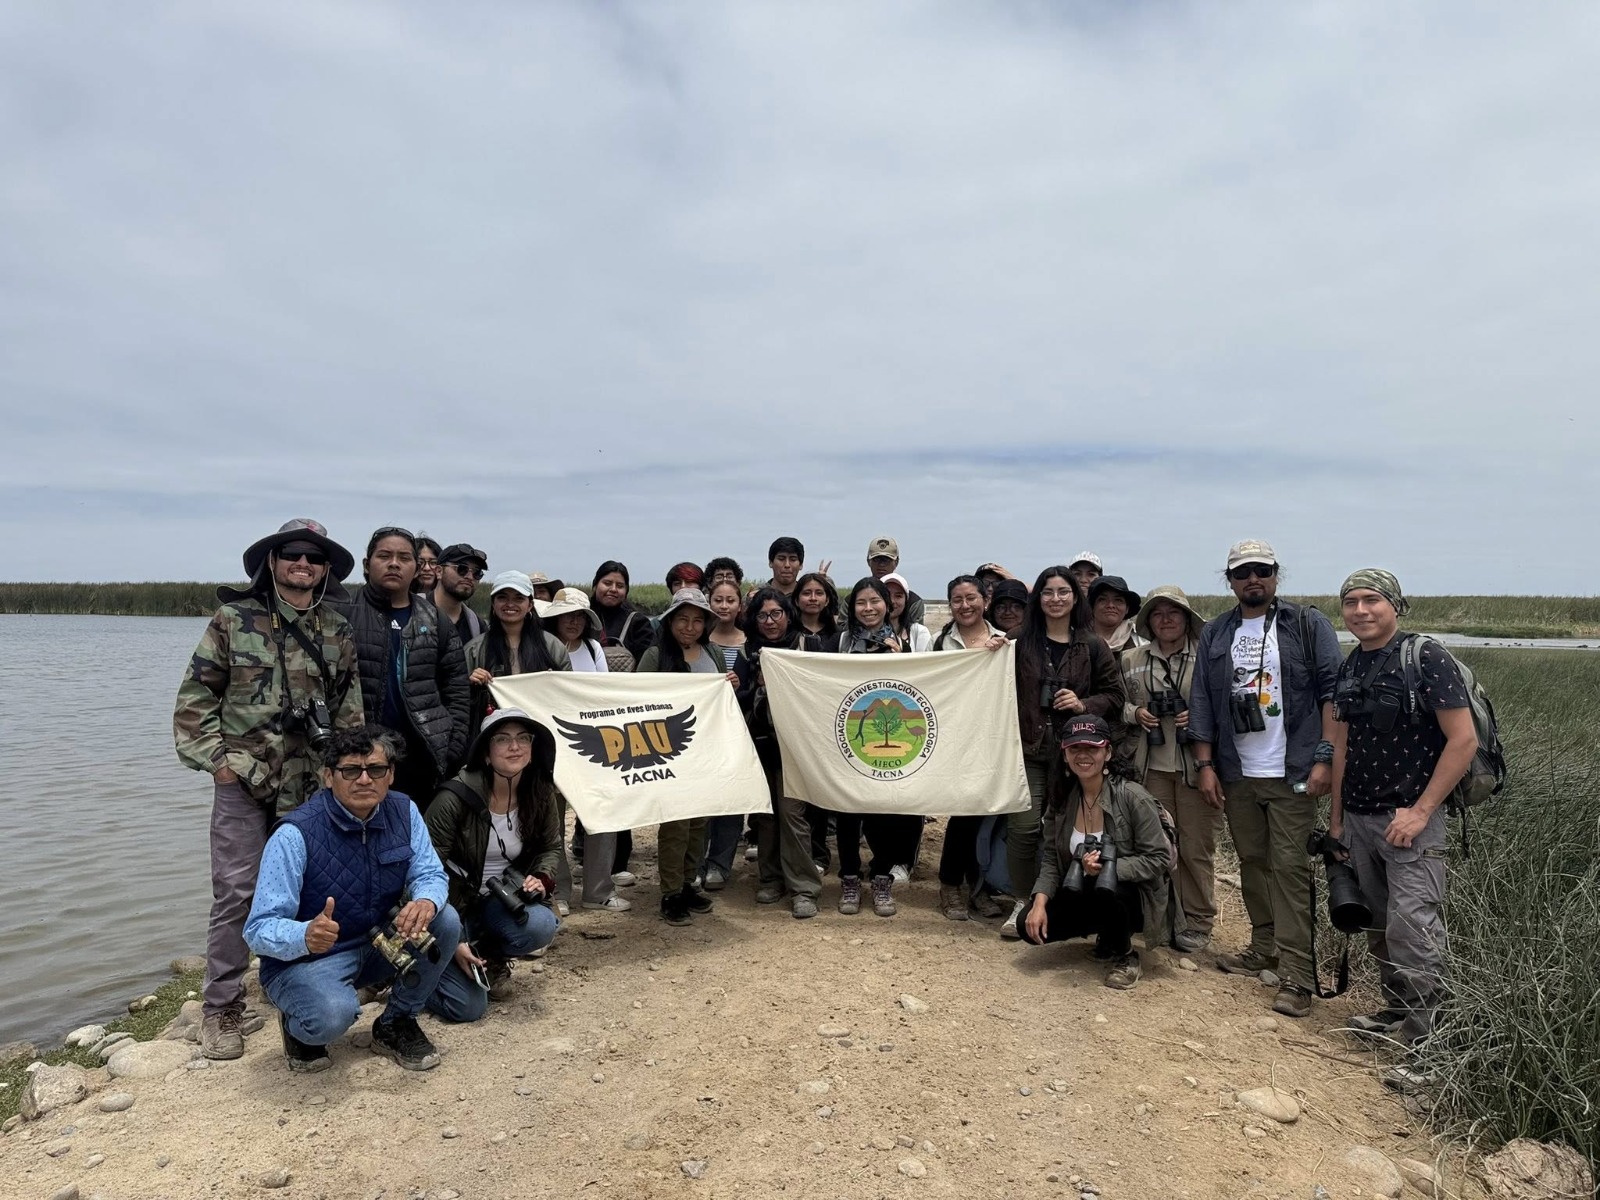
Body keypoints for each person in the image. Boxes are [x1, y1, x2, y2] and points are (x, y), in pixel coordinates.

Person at [174, 518, 365, 1060]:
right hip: (245, 781)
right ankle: (222, 1008)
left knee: (307, 891)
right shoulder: (233, 619)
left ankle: (299, 992)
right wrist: (219, 764)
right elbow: (194, 701)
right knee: (236, 892)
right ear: (273, 562)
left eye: (313, 556)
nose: (302, 564)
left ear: (326, 568)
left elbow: (351, 710)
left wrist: (347, 772)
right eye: (291, 554)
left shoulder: (336, 627)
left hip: (310, 785)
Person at [245, 725, 461, 1073]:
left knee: (445, 919)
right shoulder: (293, 835)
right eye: (350, 770)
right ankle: (297, 1025)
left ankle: (396, 1022)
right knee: (331, 1016)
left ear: (390, 775)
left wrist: (425, 901)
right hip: (310, 958)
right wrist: (304, 935)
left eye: (375, 770)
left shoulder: (404, 812)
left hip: (376, 942)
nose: (364, 780)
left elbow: (431, 874)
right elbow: (257, 929)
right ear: (328, 776)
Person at [1187, 539, 1342, 1019]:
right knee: (1254, 860)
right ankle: (1263, 947)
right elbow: (1204, 703)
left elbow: (1333, 694)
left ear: (1276, 575)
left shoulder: (1306, 624)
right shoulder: (1216, 632)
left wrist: (1324, 758)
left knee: (1291, 868)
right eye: (1242, 572)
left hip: (1291, 769)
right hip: (1237, 771)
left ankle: (1298, 975)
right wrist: (1207, 765)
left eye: (1262, 570)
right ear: (1229, 580)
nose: (1252, 578)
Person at [1329, 569, 1476, 1065]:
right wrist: (1337, 820)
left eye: (1372, 600)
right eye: (1351, 602)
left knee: (1413, 927)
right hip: (1361, 817)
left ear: (1395, 605)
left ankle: (1431, 1041)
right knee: (1378, 924)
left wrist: (1420, 811)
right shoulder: (1352, 664)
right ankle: (1398, 1013)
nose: (1360, 611)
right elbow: (1343, 746)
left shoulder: (1426, 657)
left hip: (1411, 819)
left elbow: (1464, 740)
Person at [1004, 566, 1126, 940]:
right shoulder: (1017, 641)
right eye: (1047, 592)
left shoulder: (1092, 645)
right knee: (1023, 829)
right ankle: (1021, 902)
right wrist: (992, 649)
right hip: (1027, 748)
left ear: (1075, 597)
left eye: (1063, 592)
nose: (1055, 599)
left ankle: (1065, 903)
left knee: (1063, 832)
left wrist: (1082, 703)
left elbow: (1116, 697)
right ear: (1036, 598)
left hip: (1076, 754)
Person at [425, 709, 563, 1014]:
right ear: (486, 754)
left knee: (542, 925)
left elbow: (550, 847)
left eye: (523, 738)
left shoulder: (539, 792)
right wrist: (454, 937)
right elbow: (426, 870)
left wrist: (542, 876)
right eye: (502, 739)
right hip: (450, 908)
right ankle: (422, 966)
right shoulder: (454, 798)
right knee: (470, 1008)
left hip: (497, 900)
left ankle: (487, 954)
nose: (515, 746)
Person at [1020, 715, 1171, 990]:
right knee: (1025, 925)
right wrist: (1039, 903)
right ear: (1065, 754)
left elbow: (1159, 859)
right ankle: (1105, 933)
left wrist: (1110, 868)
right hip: (1084, 890)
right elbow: (1052, 858)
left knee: (1109, 885)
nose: (1083, 755)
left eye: (1092, 748)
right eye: (1075, 748)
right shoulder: (1063, 799)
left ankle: (1125, 953)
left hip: (1132, 897)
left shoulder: (1133, 797)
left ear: (1108, 752)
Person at [463, 570, 574, 914]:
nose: (510, 605)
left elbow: (568, 697)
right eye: (502, 598)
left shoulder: (552, 646)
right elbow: (460, 702)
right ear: (493, 604)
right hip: (495, 754)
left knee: (545, 823)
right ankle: (495, 898)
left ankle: (548, 893)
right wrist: (472, 684)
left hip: (540, 752)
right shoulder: (477, 648)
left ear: (530, 604)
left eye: (518, 599)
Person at [341, 527, 471, 809]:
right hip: (359, 757)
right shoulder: (343, 614)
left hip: (423, 756)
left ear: (416, 568)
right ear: (367, 564)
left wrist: (452, 748)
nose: (394, 563)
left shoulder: (437, 621)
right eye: (384, 556)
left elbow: (457, 689)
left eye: (404, 557)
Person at [1120, 586, 1219, 953]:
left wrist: (1200, 718)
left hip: (1195, 765)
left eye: (1174, 613)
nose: (1166, 620)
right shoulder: (1131, 659)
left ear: (1187, 619)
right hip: (1150, 765)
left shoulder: (1208, 656)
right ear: (1148, 621)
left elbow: (1225, 703)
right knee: (1160, 845)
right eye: (1158, 614)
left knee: (1196, 846)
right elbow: (1117, 704)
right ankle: (1166, 918)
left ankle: (1198, 920)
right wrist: (1135, 713)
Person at [635, 588, 740, 925]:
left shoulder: (712, 652)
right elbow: (637, 700)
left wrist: (731, 685)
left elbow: (722, 698)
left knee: (699, 822)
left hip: (706, 751)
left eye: (697, 620)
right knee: (675, 824)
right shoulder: (654, 656)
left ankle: (687, 882)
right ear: (670, 621)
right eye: (683, 619)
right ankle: (669, 892)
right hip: (669, 752)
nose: (690, 627)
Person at [824, 577, 921, 918]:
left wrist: (900, 659)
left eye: (875, 601)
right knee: (848, 813)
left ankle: (881, 877)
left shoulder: (903, 643)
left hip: (891, 744)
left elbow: (916, 688)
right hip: (849, 739)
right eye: (861, 602)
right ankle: (849, 877)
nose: (868, 608)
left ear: (888, 604)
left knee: (885, 813)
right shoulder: (838, 642)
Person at [541, 587, 634, 912]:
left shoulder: (594, 649)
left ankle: (598, 890)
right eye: (567, 615)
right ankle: (558, 891)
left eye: (579, 615)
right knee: (552, 820)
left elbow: (604, 694)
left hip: (593, 745)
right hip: (552, 747)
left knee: (602, 814)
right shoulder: (542, 647)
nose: (573, 621)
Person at [739, 587, 827, 918]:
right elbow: (740, 699)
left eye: (776, 613)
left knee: (793, 814)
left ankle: (804, 887)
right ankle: (770, 879)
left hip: (798, 746)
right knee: (766, 816)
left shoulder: (809, 646)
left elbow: (821, 692)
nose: (770, 621)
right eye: (762, 615)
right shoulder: (748, 650)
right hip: (761, 745)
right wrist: (755, 686)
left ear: (788, 614)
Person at [931, 575, 1010, 921]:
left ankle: (979, 887)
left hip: (992, 739)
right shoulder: (939, 643)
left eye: (971, 598)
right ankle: (950, 885)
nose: (964, 605)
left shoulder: (1004, 642)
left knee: (987, 815)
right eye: (957, 600)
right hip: (953, 740)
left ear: (985, 600)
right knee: (962, 814)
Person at [700, 579, 752, 891]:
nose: (723, 606)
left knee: (732, 802)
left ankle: (720, 864)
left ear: (739, 605)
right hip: (703, 735)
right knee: (703, 801)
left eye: (730, 600)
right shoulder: (699, 640)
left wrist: (737, 689)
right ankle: (695, 862)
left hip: (740, 732)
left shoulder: (751, 641)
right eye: (717, 600)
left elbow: (757, 688)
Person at [591, 560, 655, 671]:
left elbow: (646, 666)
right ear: (595, 585)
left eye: (620, 586)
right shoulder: (581, 617)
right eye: (607, 583)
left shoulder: (638, 623)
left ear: (626, 592)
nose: (613, 589)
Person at [435, 544, 488, 646]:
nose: (469, 576)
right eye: (462, 569)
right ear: (439, 571)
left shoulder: (478, 627)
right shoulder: (412, 611)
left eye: (477, 573)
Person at [865, 536, 924, 625]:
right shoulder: (853, 600)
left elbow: (916, 635)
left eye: (887, 560)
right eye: (876, 559)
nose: (881, 564)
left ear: (896, 562)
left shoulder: (913, 603)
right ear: (868, 562)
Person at [1087, 575, 1145, 657]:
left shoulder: (1142, 641)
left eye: (1118, 600)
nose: (1110, 605)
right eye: (1102, 599)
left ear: (1127, 609)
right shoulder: (1076, 639)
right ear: (1092, 607)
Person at [881, 572, 933, 652]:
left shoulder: (919, 632)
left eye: (898, 596)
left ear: (906, 601)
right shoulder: (862, 632)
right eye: (886, 595)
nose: (892, 601)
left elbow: (926, 663)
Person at [793, 571, 842, 640]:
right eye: (807, 593)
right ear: (796, 600)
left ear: (827, 600)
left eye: (819, 593)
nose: (813, 598)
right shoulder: (786, 633)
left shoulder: (838, 635)